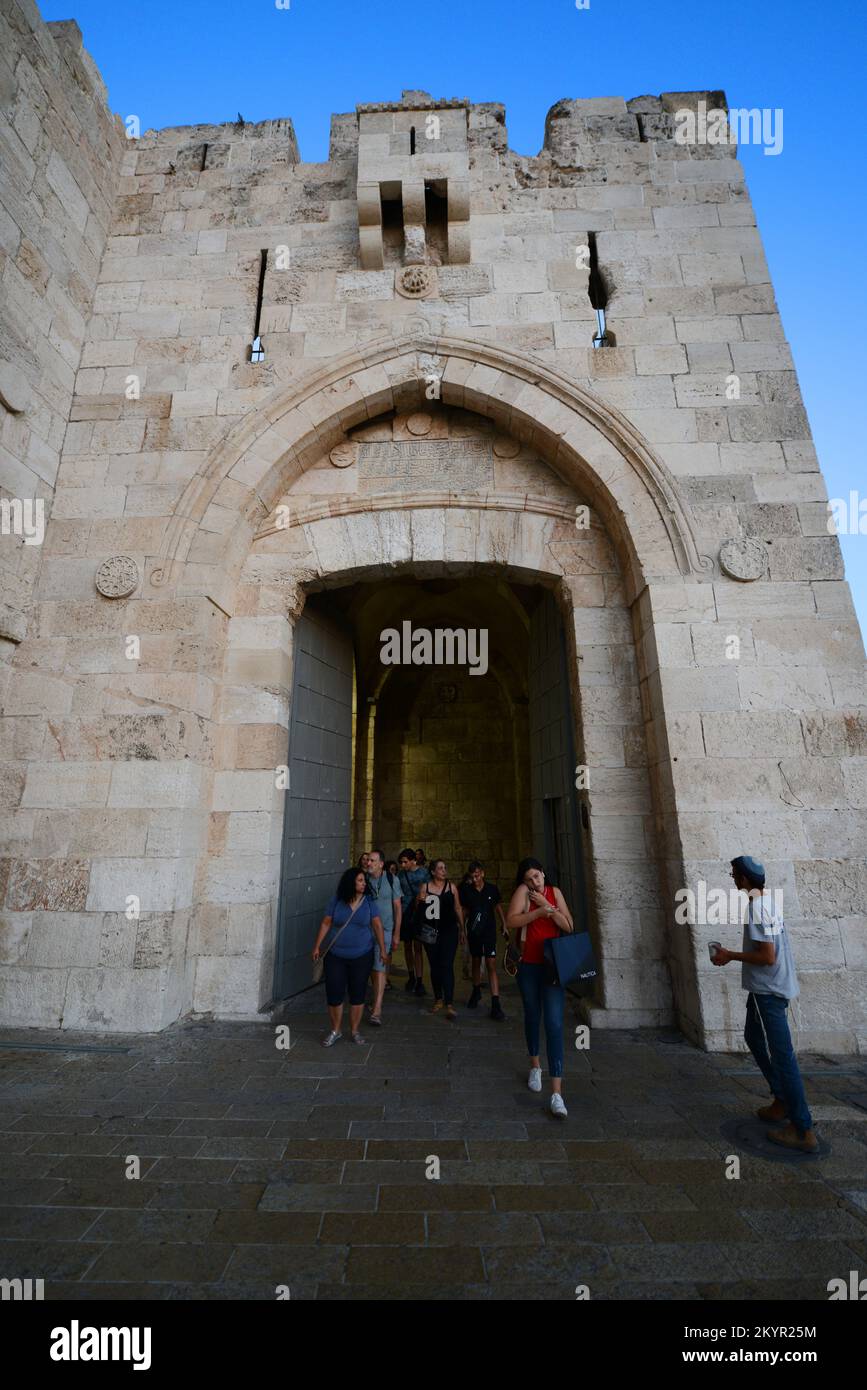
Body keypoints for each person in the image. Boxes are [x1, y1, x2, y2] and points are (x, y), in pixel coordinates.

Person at [711, 855, 818, 1153]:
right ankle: (781, 1099)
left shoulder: (757, 908)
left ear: (744, 879)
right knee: (754, 1037)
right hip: (772, 988)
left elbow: (767, 956)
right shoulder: (767, 901)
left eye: (734, 875)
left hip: (767, 991)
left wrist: (730, 955)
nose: (733, 879)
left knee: (783, 1056)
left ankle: (802, 1127)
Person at [506, 857, 574, 1118]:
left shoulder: (555, 893)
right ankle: (535, 1065)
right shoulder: (523, 893)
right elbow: (511, 921)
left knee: (554, 1023)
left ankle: (556, 1093)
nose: (534, 881)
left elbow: (569, 926)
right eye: (529, 878)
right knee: (533, 1014)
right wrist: (535, 913)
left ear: (544, 873)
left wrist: (547, 906)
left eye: (537, 876)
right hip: (529, 965)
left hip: (552, 966)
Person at [312, 867, 386, 1047]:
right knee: (334, 993)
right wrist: (317, 946)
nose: (364, 883)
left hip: (362, 955)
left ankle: (354, 1031)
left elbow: (377, 925)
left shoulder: (368, 901)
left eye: (364, 880)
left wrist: (383, 950)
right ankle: (335, 1030)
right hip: (335, 955)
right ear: (350, 882)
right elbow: (326, 923)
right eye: (360, 880)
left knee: (357, 994)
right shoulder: (337, 900)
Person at [417, 858, 464, 1020]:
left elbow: (457, 908)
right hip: (430, 932)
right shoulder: (425, 887)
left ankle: (449, 1002)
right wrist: (420, 901)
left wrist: (462, 929)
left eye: (445, 868)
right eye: (440, 868)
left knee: (447, 965)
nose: (444, 871)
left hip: (449, 931)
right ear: (433, 871)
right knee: (435, 965)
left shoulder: (452, 888)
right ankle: (438, 998)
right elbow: (419, 909)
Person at [459, 860, 506, 1020]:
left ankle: (495, 1003)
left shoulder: (491, 889)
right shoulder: (467, 891)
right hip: (474, 931)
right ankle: (476, 990)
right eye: (472, 876)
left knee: (491, 963)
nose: (475, 879)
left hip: (489, 931)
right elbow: (464, 911)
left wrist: (504, 924)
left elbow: (498, 907)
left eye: (477, 876)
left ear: (482, 874)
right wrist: (462, 930)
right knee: (476, 960)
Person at [365, 848, 402, 1026]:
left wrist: (397, 933)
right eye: (368, 860)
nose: (368, 863)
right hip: (365, 930)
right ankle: (375, 998)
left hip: (386, 929)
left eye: (372, 860)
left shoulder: (391, 879)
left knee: (379, 965)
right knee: (372, 967)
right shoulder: (363, 880)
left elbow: (398, 907)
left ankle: (377, 1008)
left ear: (381, 864)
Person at [398, 846, 428, 996]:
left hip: (419, 913)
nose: (403, 865)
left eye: (405, 862)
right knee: (407, 945)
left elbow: (429, 891)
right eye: (401, 862)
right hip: (405, 913)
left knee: (418, 946)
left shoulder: (423, 873)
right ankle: (411, 976)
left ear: (412, 861)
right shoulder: (400, 875)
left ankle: (420, 979)